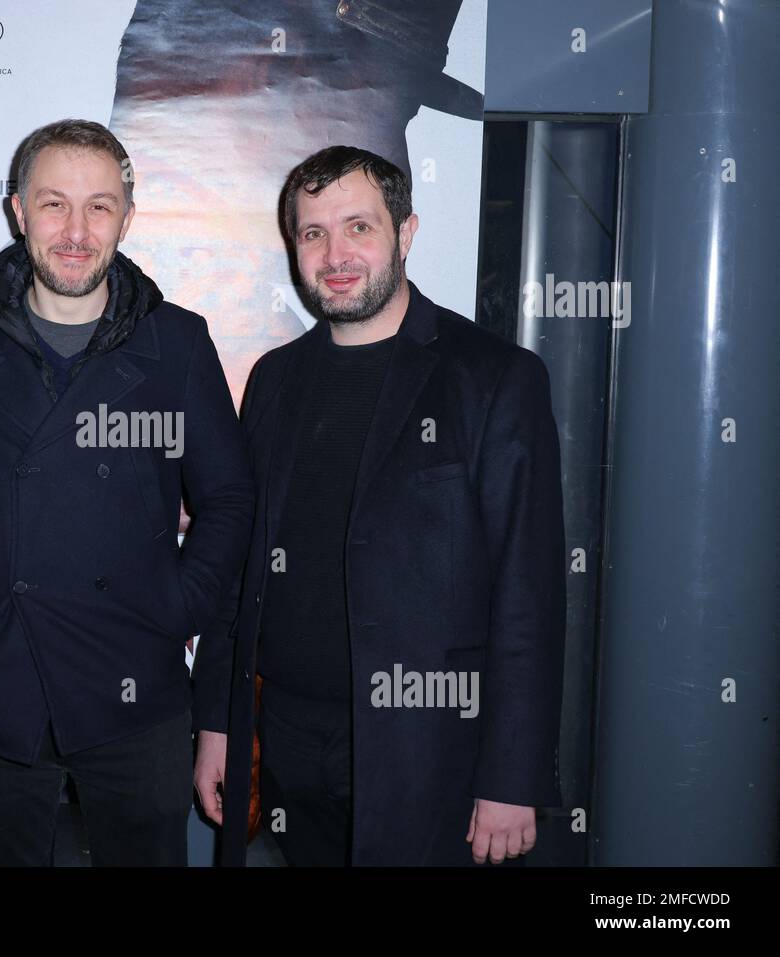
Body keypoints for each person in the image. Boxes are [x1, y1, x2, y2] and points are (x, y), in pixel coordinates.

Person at [192, 145, 565, 866]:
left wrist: (512, 777)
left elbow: (531, 595)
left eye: (358, 227)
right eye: (313, 233)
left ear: (407, 232)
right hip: (288, 742)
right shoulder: (273, 380)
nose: (336, 253)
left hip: (429, 750)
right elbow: (237, 574)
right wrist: (219, 723)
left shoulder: (494, 378)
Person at [0, 119, 254, 866]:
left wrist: (178, 605)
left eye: (99, 206)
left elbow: (228, 499)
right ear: (18, 212)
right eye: (54, 204)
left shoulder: (177, 343)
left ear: (127, 216)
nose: (75, 230)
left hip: (135, 689)